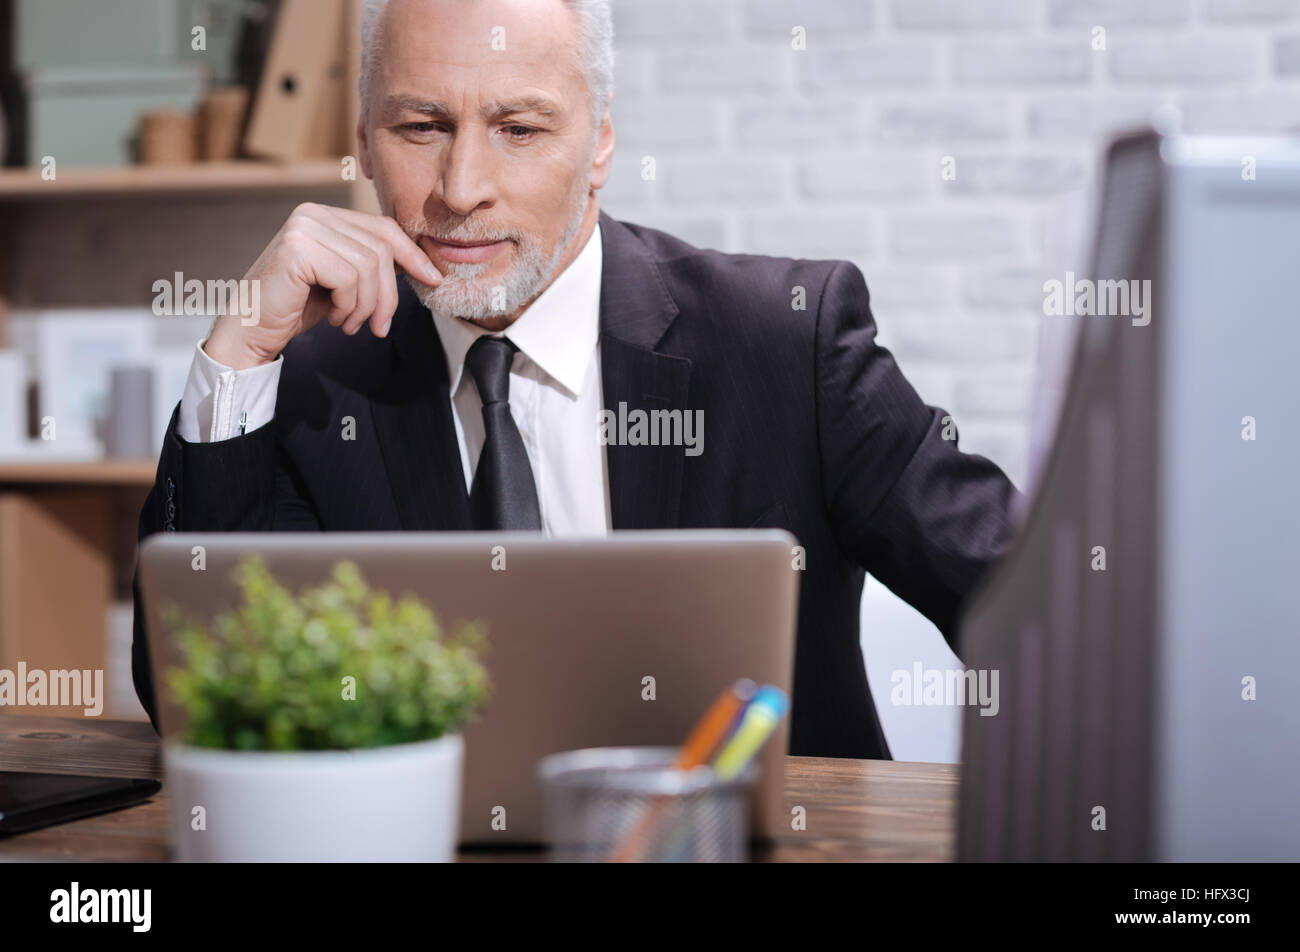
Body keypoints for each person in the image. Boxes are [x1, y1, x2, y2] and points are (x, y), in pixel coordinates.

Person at [132, 0, 1019, 759]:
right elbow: (198, 699)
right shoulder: (310, 388)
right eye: (421, 127)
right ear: (365, 144)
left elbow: (1030, 611)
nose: (462, 187)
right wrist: (237, 356)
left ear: (598, 146)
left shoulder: (787, 339)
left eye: (519, 128)